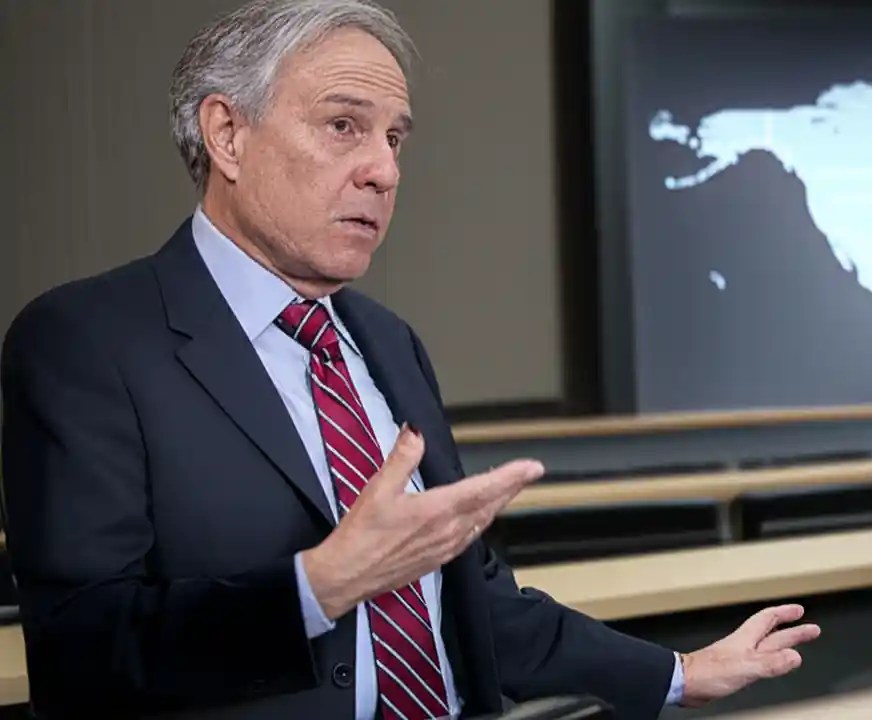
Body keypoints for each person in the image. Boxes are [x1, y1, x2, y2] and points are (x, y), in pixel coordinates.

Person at [0, 1, 821, 718]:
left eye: (395, 138)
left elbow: (465, 605)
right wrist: (315, 590)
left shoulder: (387, 342)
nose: (385, 170)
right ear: (228, 134)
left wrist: (677, 673)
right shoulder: (87, 341)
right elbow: (81, 655)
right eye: (344, 126)